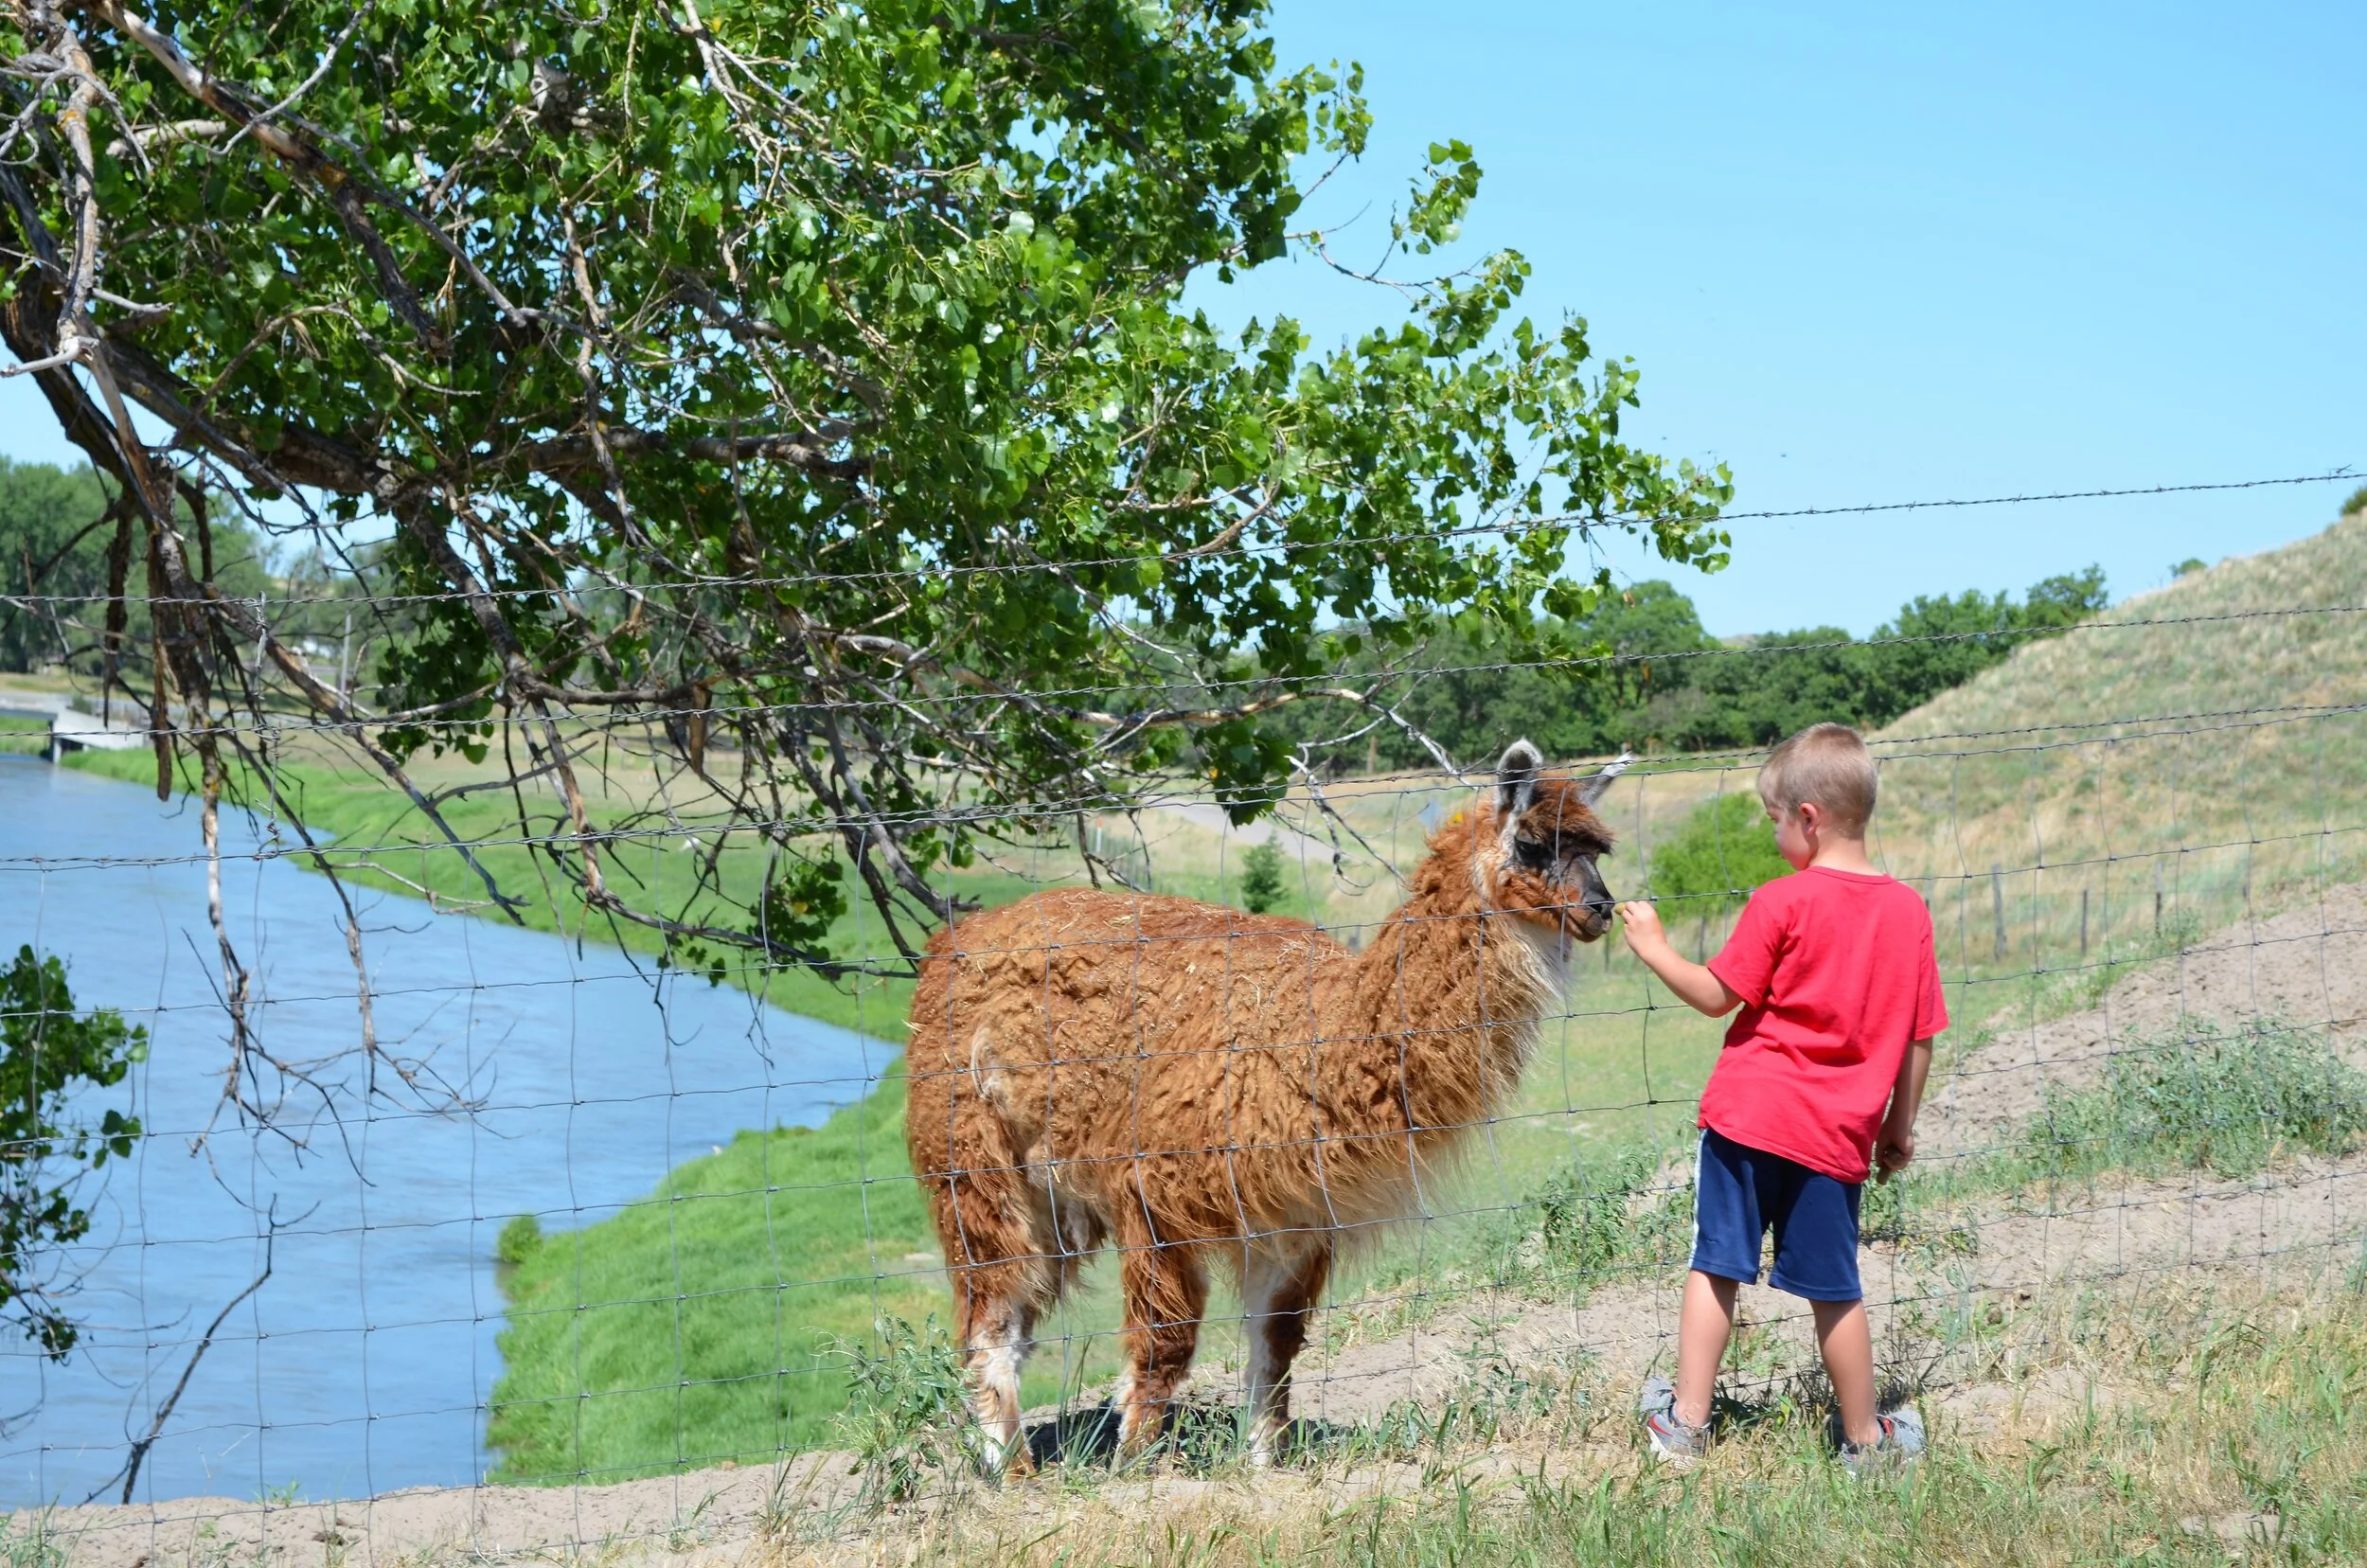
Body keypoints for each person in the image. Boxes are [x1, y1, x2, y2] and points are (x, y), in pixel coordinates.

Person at [1618, 722, 1946, 1473]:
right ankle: (1865, 1442)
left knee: (1717, 1266)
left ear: (1808, 817)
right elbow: (1918, 1039)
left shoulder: (1782, 901)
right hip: (1836, 1138)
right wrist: (1898, 1128)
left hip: (1747, 1118)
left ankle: (1685, 1427)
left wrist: (1654, 946)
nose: (1772, 837)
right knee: (1837, 1289)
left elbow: (1715, 995)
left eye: (1773, 820)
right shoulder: (1908, 913)